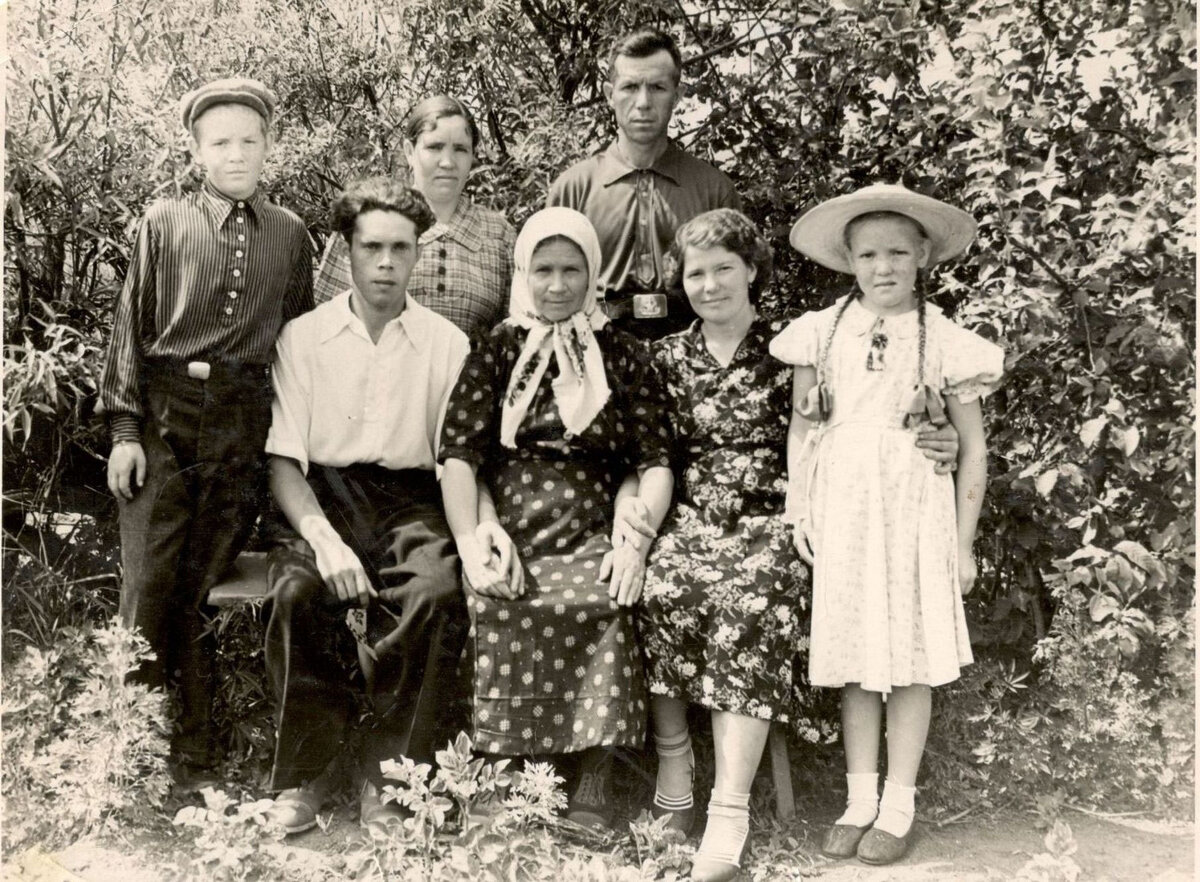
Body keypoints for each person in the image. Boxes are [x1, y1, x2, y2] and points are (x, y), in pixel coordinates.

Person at [769, 183, 1003, 866]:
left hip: (912, 508)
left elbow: (973, 447)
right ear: (848, 259)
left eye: (898, 252)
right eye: (868, 254)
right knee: (856, 655)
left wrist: (962, 543)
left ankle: (899, 803)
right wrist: (800, 508)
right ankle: (859, 797)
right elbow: (804, 428)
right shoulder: (821, 331)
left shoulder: (948, 341)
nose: (883, 267)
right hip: (844, 507)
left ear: (923, 255)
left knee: (906, 657)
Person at [98, 77, 313, 784]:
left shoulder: (290, 234)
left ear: (268, 147)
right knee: (150, 577)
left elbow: (298, 345)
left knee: (201, 580)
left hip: (241, 421)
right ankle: (123, 746)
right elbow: (130, 327)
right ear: (196, 151)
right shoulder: (163, 221)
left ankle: (191, 749)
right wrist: (126, 429)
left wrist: (289, 441)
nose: (237, 154)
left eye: (250, 140)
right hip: (164, 413)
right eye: (221, 142)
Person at [438, 206, 674, 828]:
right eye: (543, 269)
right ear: (523, 272)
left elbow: (653, 459)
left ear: (594, 274)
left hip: (596, 515)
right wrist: (472, 539)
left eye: (573, 269)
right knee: (498, 600)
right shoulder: (496, 347)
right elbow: (460, 452)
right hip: (509, 518)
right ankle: (507, 771)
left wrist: (637, 537)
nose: (558, 285)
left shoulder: (623, 354)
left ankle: (593, 770)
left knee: (604, 599)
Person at [630, 209, 832, 882]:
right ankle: (675, 763)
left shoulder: (790, 350)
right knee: (658, 586)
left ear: (752, 270)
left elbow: (818, 438)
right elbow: (653, 454)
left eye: (724, 268)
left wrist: (801, 511)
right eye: (695, 273)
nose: (710, 284)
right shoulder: (664, 358)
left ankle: (729, 809)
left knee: (750, 600)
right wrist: (642, 529)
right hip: (688, 516)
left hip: (769, 518)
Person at [262, 177, 470, 833]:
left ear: (419, 253)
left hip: (412, 499)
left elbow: (455, 462)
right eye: (372, 247)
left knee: (434, 595)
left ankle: (397, 777)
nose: (386, 264)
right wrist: (324, 540)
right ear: (344, 249)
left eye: (400, 249)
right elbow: (283, 461)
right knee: (297, 595)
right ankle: (307, 773)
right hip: (320, 494)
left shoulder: (447, 344)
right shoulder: (304, 338)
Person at [547, 28, 740, 339]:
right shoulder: (573, 189)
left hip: (693, 352)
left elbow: (737, 297)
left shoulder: (713, 190)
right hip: (596, 353)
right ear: (610, 95)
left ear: (676, 96)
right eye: (630, 87)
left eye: (658, 87)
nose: (643, 102)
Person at [312, 95, 515, 338]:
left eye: (460, 149)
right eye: (434, 147)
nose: (448, 162)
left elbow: (514, 337)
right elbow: (324, 326)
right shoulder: (366, 219)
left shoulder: (498, 234)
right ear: (410, 151)